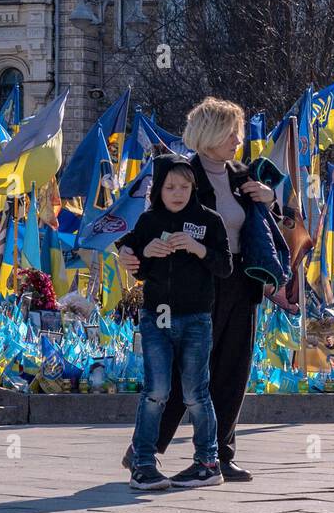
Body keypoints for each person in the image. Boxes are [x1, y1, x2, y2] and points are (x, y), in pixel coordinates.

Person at [119, 98, 280, 482]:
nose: (238, 141)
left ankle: (219, 454)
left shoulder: (242, 176)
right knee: (182, 373)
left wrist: (270, 201)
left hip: (239, 280)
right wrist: (128, 249)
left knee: (232, 369)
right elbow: (148, 221)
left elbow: (261, 224)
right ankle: (146, 451)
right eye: (231, 133)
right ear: (209, 133)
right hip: (191, 286)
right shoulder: (181, 173)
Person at [119, 155, 232, 490]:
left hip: (196, 317)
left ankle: (207, 462)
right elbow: (136, 266)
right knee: (156, 390)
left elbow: (225, 266)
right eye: (170, 186)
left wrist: (198, 249)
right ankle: (142, 462)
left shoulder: (209, 220)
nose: (178, 193)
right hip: (157, 317)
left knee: (197, 392)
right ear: (158, 189)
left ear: (194, 187)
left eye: (184, 186)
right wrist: (141, 256)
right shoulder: (148, 221)